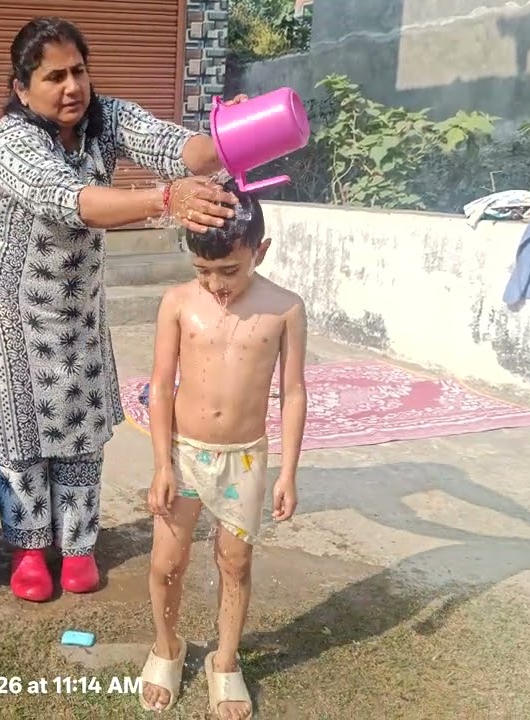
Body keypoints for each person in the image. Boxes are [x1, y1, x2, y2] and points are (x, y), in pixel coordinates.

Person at [0, 15, 251, 603]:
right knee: (21, 428)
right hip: (6, 300)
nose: (72, 87)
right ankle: (30, 549)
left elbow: (174, 146)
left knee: (83, 423)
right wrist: (167, 200)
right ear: (22, 88)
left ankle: (78, 546)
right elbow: (70, 200)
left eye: (80, 71)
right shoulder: (10, 142)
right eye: (54, 77)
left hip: (75, 302)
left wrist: (231, 139)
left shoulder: (106, 119)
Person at [137, 188, 308, 718]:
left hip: (245, 460)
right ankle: (167, 647)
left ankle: (225, 660)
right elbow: (161, 386)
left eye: (229, 270)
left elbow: (294, 392)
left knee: (235, 563)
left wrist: (288, 472)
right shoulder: (179, 303)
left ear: (262, 250)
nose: (217, 285)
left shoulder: (285, 308)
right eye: (203, 270)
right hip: (185, 455)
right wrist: (162, 464)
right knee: (167, 561)